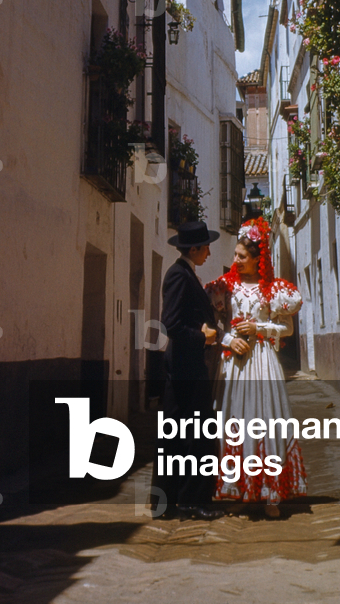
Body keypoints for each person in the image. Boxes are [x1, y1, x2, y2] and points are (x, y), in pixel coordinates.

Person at [205, 217, 307, 518]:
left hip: (262, 360)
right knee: (236, 419)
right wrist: (227, 339)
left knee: (265, 417)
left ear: (257, 259)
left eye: (241, 257)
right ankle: (241, 489)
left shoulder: (273, 290)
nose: (235, 261)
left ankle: (270, 493)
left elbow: (286, 328)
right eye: (235, 255)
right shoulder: (225, 287)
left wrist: (260, 326)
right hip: (236, 363)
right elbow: (210, 323)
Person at [152, 220, 222, 521]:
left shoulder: (185, 273)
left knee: (179, 435)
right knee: (197, 436)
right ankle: (191, 500)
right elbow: (171, 324)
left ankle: (168, 502)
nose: (208, 252)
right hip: (185, 368)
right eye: (205, 247)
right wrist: (202, 337)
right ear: (193, 249)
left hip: (187, 367)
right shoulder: (179, 276)